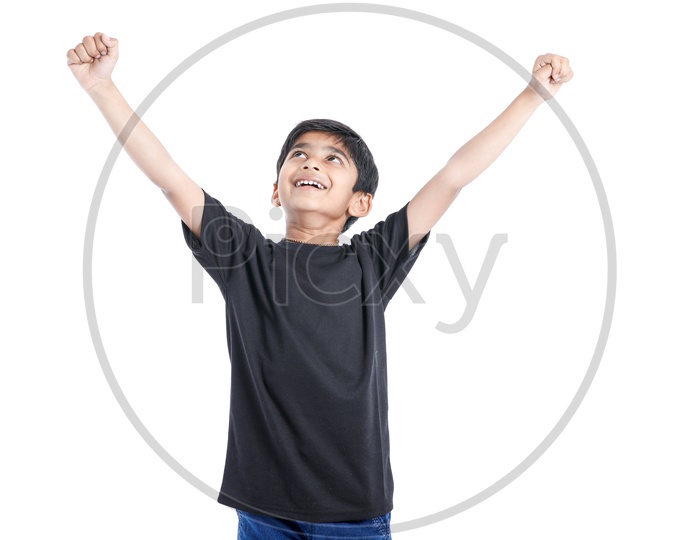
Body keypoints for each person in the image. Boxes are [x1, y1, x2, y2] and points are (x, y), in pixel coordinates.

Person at [67, 32, 573, 540]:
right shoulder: (244, 258)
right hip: (264, 509)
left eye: (334, 159)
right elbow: (171, 179)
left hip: (354, 510)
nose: (311, 162)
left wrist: (532, 94)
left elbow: (453, 177)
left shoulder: (373, 259)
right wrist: (103, 89)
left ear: (361, 203)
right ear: (276, 188)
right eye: (299, 155)